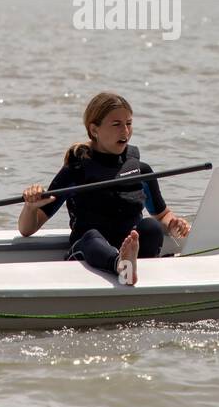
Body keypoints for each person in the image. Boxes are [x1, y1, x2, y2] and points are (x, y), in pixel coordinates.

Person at [18, 92, 190, 285]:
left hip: (130, 250)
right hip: (88, 253)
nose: (125, 131)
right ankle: (121, 266)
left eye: (129, 123)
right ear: (94, 129)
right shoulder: (76, 171)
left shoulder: (141, 170)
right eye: (116, 124)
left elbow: (162, 215)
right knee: (91, 236)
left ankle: (135, 273)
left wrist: (174, 223)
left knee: (151, 227)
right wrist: (30, 206)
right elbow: (27, 229)